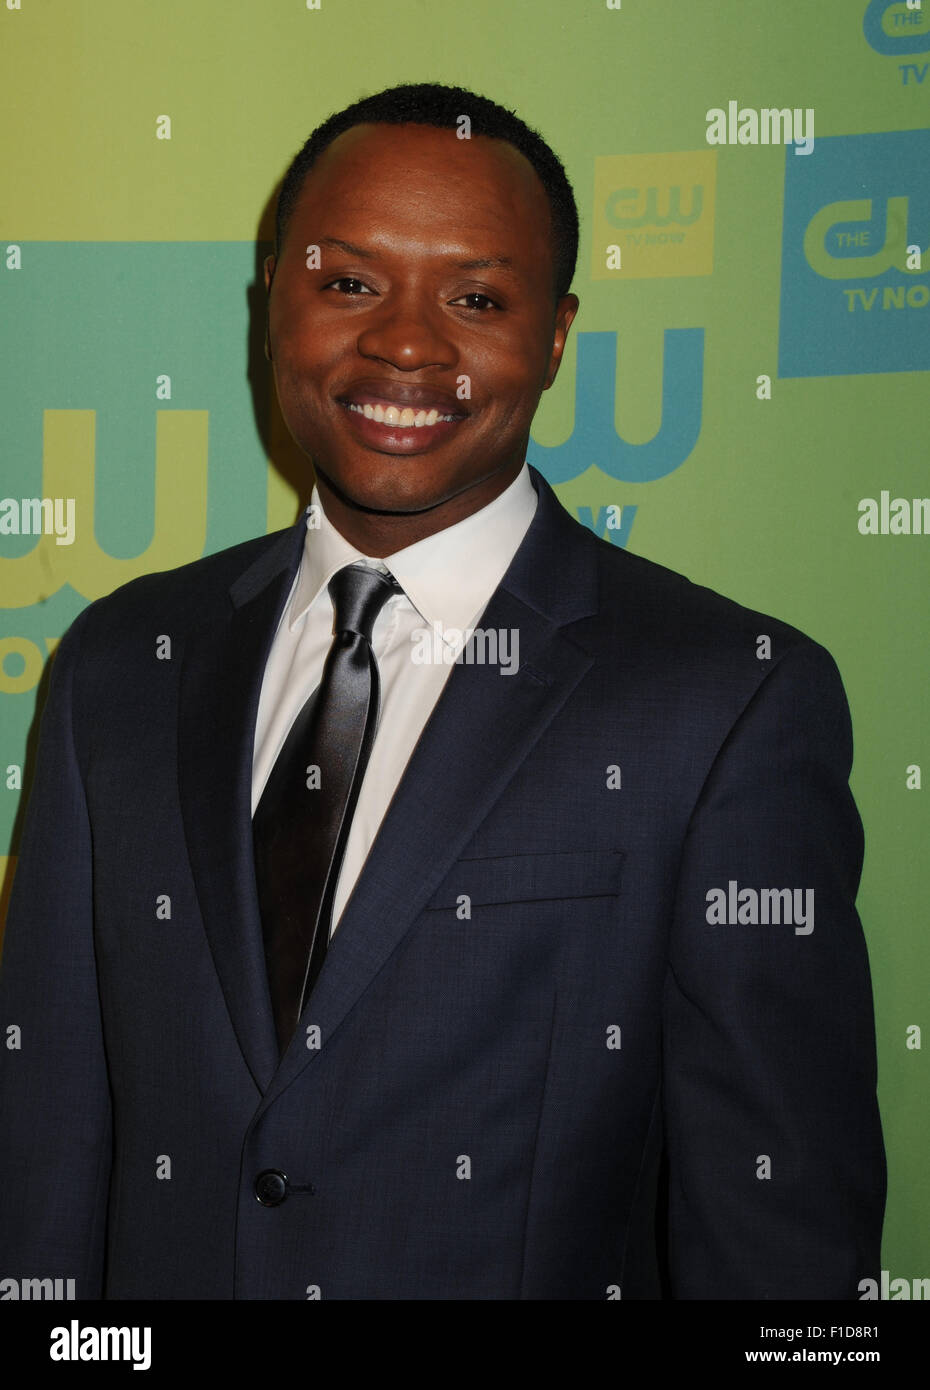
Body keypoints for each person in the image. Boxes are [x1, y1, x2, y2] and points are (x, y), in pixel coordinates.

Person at [0, 81, 885, 1300]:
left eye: (476, 297)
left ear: (557, 336)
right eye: (350, 282)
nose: (406, 344)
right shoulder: (119, 666)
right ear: (274, 307)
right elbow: (41, 1157)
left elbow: (780, 1241)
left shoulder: (725, 704)